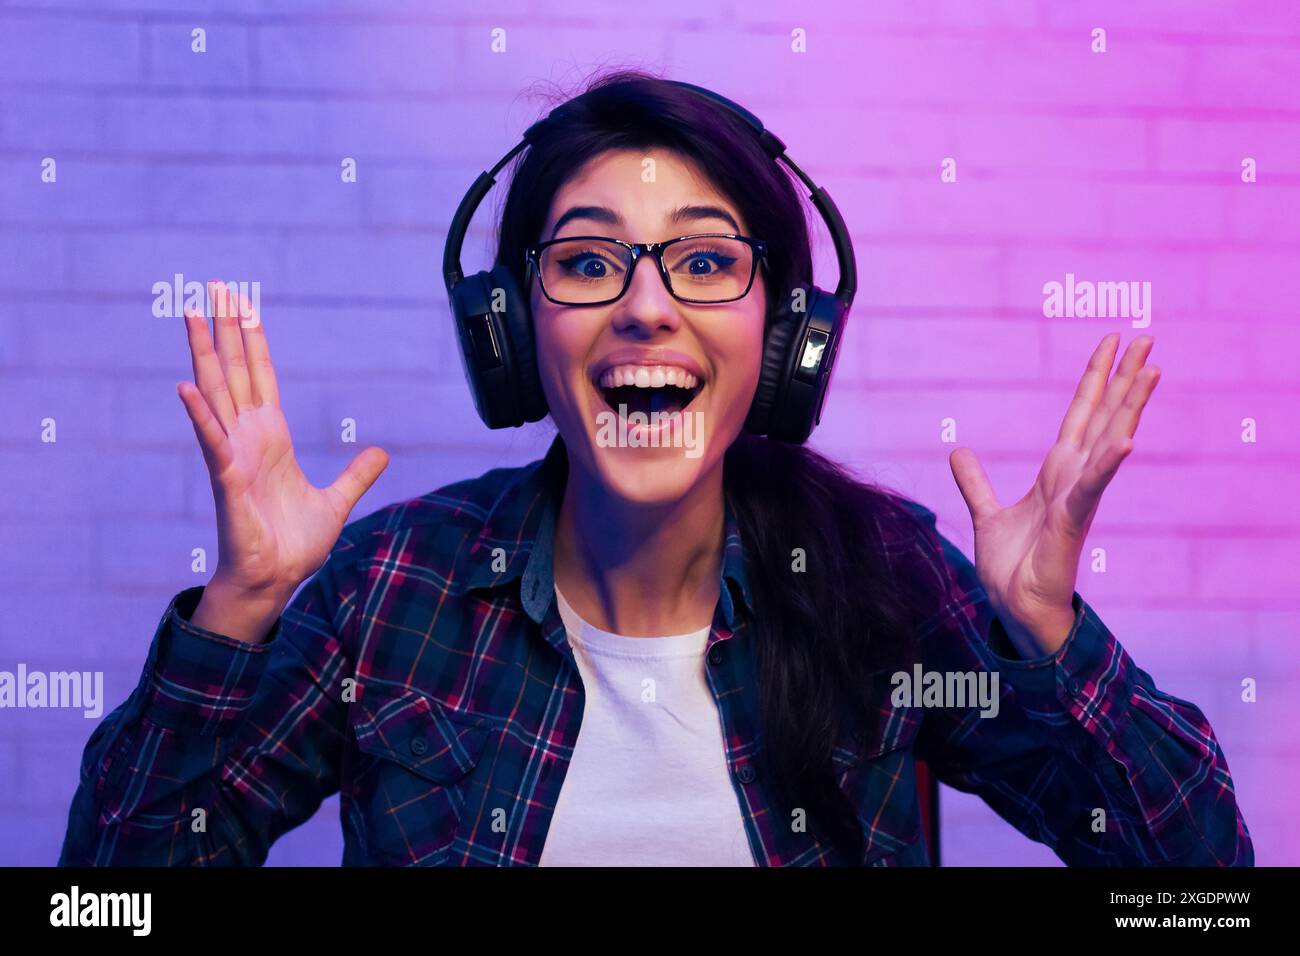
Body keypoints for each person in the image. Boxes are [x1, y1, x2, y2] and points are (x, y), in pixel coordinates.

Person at [59, 70, 1251, 867]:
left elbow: (1196, 869)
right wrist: (240, 613)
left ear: (786, 338)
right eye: (586, 265)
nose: (643, 307)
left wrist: (1045, 635)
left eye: (702, 262)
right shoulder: (390, 592)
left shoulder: (881, 589)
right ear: (514, 327)